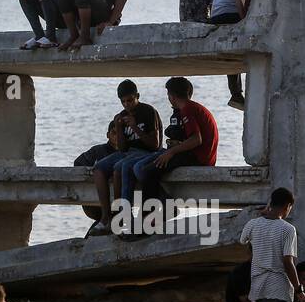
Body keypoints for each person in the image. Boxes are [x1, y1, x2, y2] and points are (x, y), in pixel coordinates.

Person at [87, 80, 162, 237]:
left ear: (137, 96)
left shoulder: (148, 112)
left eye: (130, 100)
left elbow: (155, 145)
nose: (127, 105)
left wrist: (135, 126)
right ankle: (106, 216)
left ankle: (123, 217)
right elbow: (121, 148)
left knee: (121, 167)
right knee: (99, 168)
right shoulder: (122, 115)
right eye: (123, 102)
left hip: (145, 153)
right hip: (128, 152)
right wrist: (119, 127)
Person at [130, 77, 218, 210]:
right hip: (201, 155)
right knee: (150, 167)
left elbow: (196, 139)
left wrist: (170, 152)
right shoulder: (193, 107)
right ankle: (162, 207)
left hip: (199, 158)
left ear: (171, 95)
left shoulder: (187, 109)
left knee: (147, 171)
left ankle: (157, 211)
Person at [206, 0, 253, 107]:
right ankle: (237, 93)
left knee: (233, 52)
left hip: (215, 16)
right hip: (228, 15)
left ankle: (236, 93)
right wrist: (244, 20)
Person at [74, 119, 119, 222]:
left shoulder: (130, 152)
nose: (117, 137)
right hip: (98, 195)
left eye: (120, 134)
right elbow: (78, 163)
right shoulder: (98, 150)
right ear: (108, 135)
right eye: (114, 133)